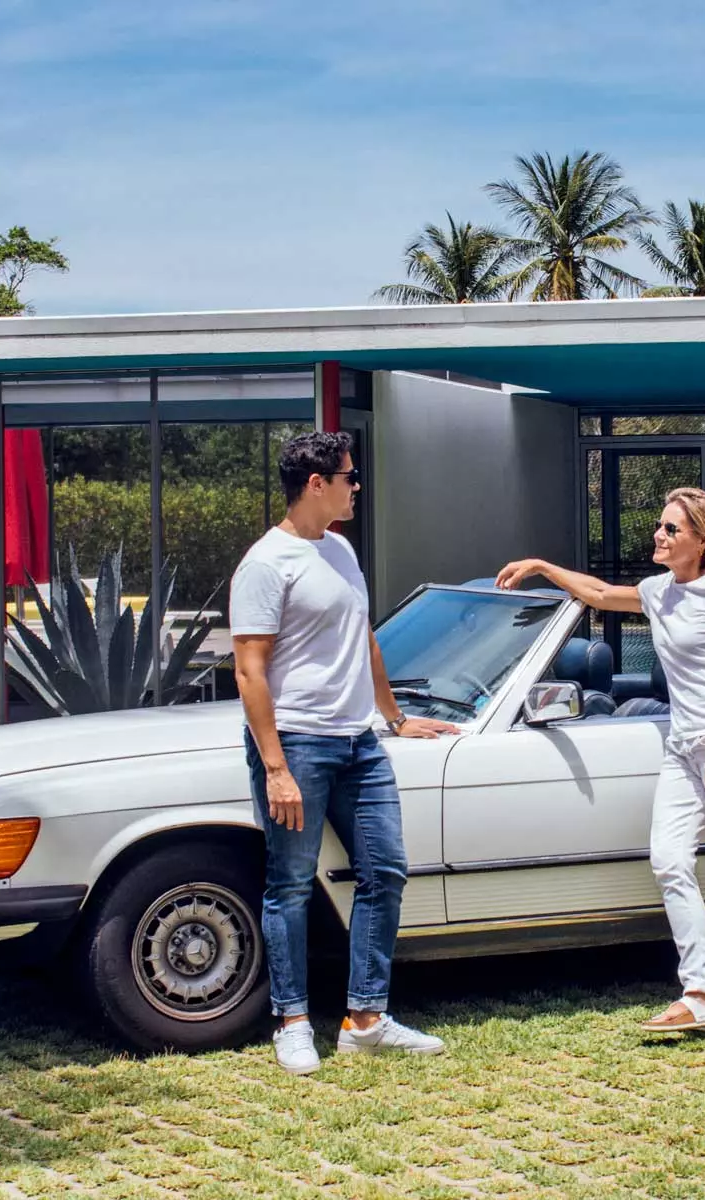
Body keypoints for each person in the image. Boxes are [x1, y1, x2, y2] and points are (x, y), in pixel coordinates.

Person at [496, 486, 705, 1031]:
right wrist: (541, 566)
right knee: (669, 860)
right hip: (683, 746)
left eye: (673, 529)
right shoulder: (660, 591)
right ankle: (699, 991)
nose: (660, 535)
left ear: (703, 539)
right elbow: (598, 593)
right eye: (660, 526)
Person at [231, 430, 459, 1075]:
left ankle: (365, 1017)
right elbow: (250, 671)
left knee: (385, 871)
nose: (356, 487)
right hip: (297, 744)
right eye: (349, 478)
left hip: (358, 742)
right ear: (316, 485)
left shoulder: (340, 550)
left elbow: (363, 640)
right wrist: (275, 767)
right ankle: (293, 1020)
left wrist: (395, 717)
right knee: (290, 886)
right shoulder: (266, 564)